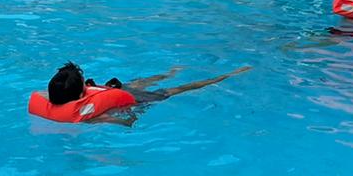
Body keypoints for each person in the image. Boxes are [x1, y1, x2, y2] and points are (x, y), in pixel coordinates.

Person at [32, 62, 251, 125]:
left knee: (144, 83)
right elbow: (125, 120)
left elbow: (124, 121)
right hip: (131, 99)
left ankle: (170, 72)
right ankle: (229, 74)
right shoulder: (86, 115)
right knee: (177, 89)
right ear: (81, 93)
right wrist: (130, 117)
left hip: (111, 94)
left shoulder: (65, 102)